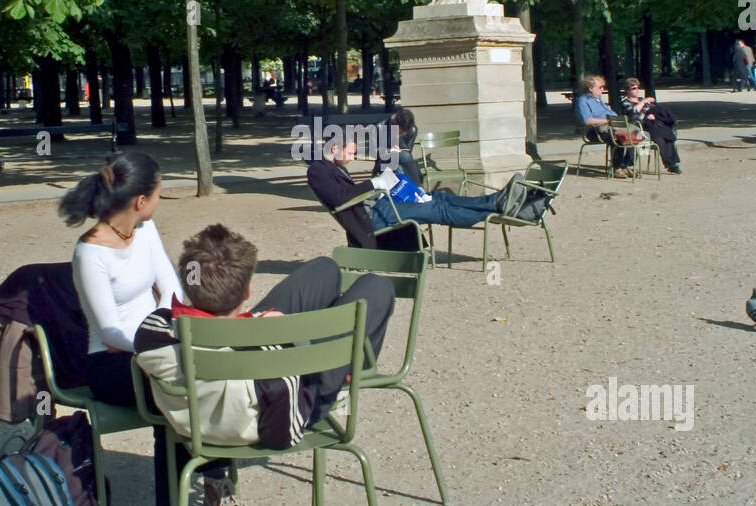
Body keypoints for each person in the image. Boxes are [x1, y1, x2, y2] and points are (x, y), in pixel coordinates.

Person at [58, 152, 251, 506]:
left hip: (158, 344)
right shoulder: (90, 253)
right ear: (140, 200)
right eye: (160, 192)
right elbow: (108, 329)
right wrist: (159, 341)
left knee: (200, 374)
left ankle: (216, 481)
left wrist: (165, 333)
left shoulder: (144, 229)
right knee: (173, 389)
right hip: (110, 361)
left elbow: (171, 287)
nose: (162, 199)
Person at [134, 224, 394, 457]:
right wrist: (285, 336)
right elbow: (285, 429)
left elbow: (162, 317)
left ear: (190, 285)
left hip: (207, 401)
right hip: (288, 405)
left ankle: (339, 359)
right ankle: (347, 373)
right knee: (376, 286)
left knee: (324, 268)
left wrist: (257, 324)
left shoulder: (155, 334)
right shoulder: (270, 359)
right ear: (248, 291)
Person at [307, 136, 508, 249]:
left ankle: (494, 201)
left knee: (438, 197)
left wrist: (385, 173)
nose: (352, 158)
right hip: (372, 217)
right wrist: (374, 183)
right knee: (435, 208)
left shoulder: (330, 167)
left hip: (377, 207)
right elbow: (340, 199)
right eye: (350, 153)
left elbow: (349, 193)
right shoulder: (317, 170)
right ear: (335, 148)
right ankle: (497, 205)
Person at [574, 75, 634, 176]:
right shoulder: (583, 101)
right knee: (619, 137)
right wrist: (606, 120)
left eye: (603, 87)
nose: (603, 89)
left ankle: (627, 165)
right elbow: (587, 120)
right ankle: (617, 167)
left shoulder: (598, 100)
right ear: (591, 88)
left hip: (609, 127)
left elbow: (612, 114)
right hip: (594, 131)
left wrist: (612, 117)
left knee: (633, 135)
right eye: (600, 87)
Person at [620, 78, 681, 173]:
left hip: (652, 125)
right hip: (638, 127)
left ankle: (672, 164)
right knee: (658, 136)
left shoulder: (641, 99)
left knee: (666, 135)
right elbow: (633, 115)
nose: (637, 90)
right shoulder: (625, 102)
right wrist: (644, 105)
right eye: (634, 88)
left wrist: (652, 114)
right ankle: (670, 163)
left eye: (638, 88)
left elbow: (652, 109)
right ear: (627, 90)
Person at [371, 106, 423, 187]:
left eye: (402, 133)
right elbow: (373, 152)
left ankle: (413, 191)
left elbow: (408, 151)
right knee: (402, 160)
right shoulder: (379, 127)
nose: (400, 135)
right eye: (399, 132)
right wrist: (389, 151)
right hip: (384, 163)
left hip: (403, 163)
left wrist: (399, 145)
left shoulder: (412, 130)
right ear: (393, 122)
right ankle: (418, 189)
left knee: (400, 165)